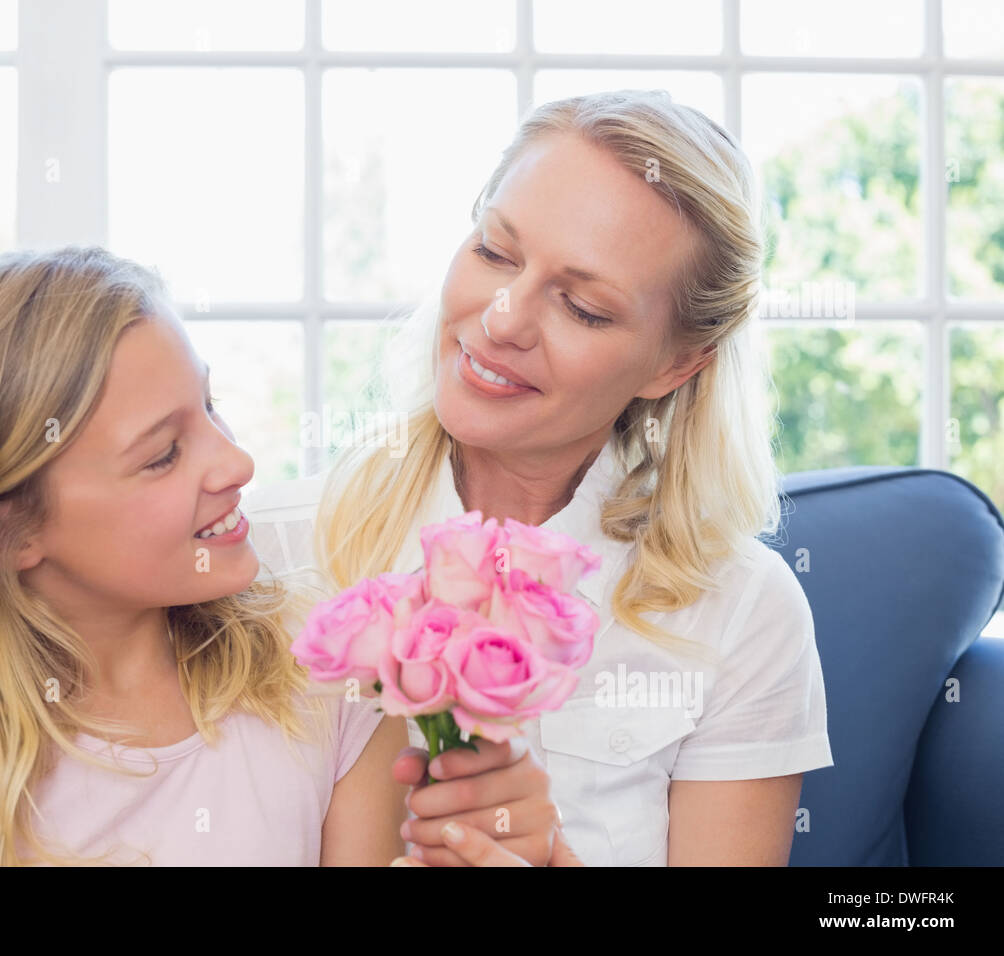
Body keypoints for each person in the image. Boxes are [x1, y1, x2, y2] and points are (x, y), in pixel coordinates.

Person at [246, 90, 834, 867]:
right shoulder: (267, 553)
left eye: (584, 307)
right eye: (495, 252)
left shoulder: (740, 613)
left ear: (676, 363)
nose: (501, 319)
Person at [0, 246, 440, 865]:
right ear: (6, 533)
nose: (238, 463)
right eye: (163, 454)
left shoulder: (329, 669)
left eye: (210, 407)